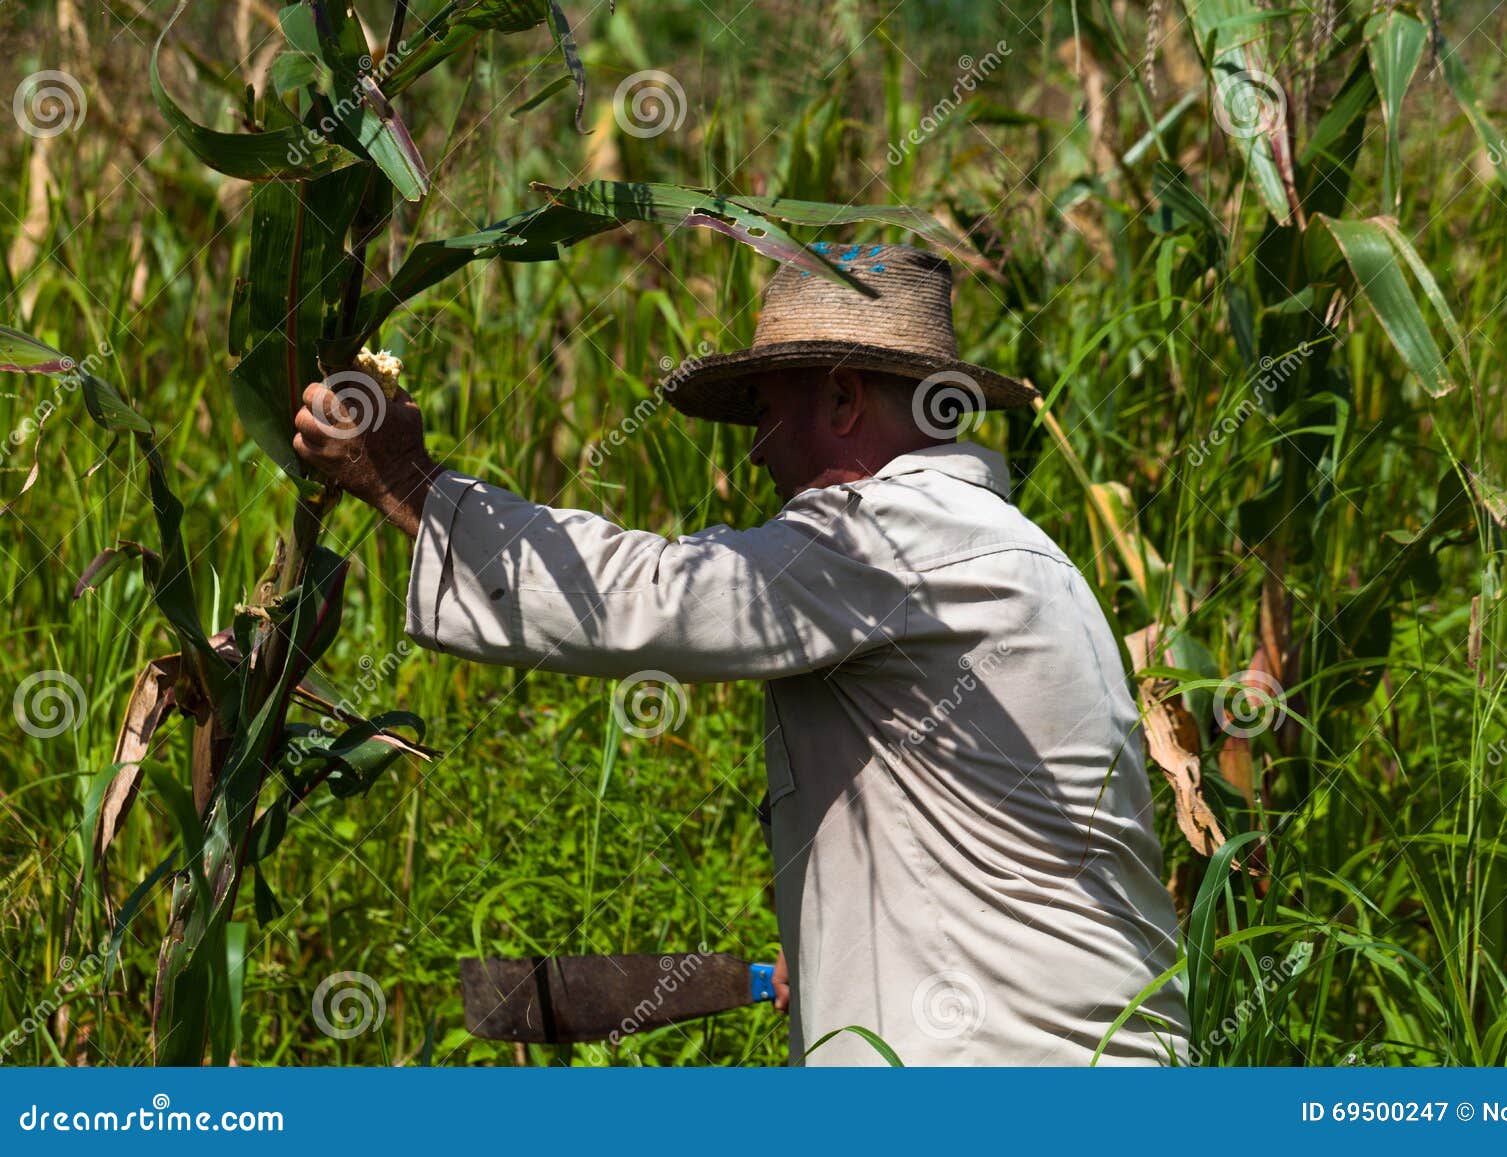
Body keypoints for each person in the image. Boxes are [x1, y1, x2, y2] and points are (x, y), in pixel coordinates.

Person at [293, 242, 1191, 1065]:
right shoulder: (1019, 553)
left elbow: (656, 597)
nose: (754, 450)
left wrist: (412, 484)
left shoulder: (901, 533)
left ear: (843, 396)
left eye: (765, 410)